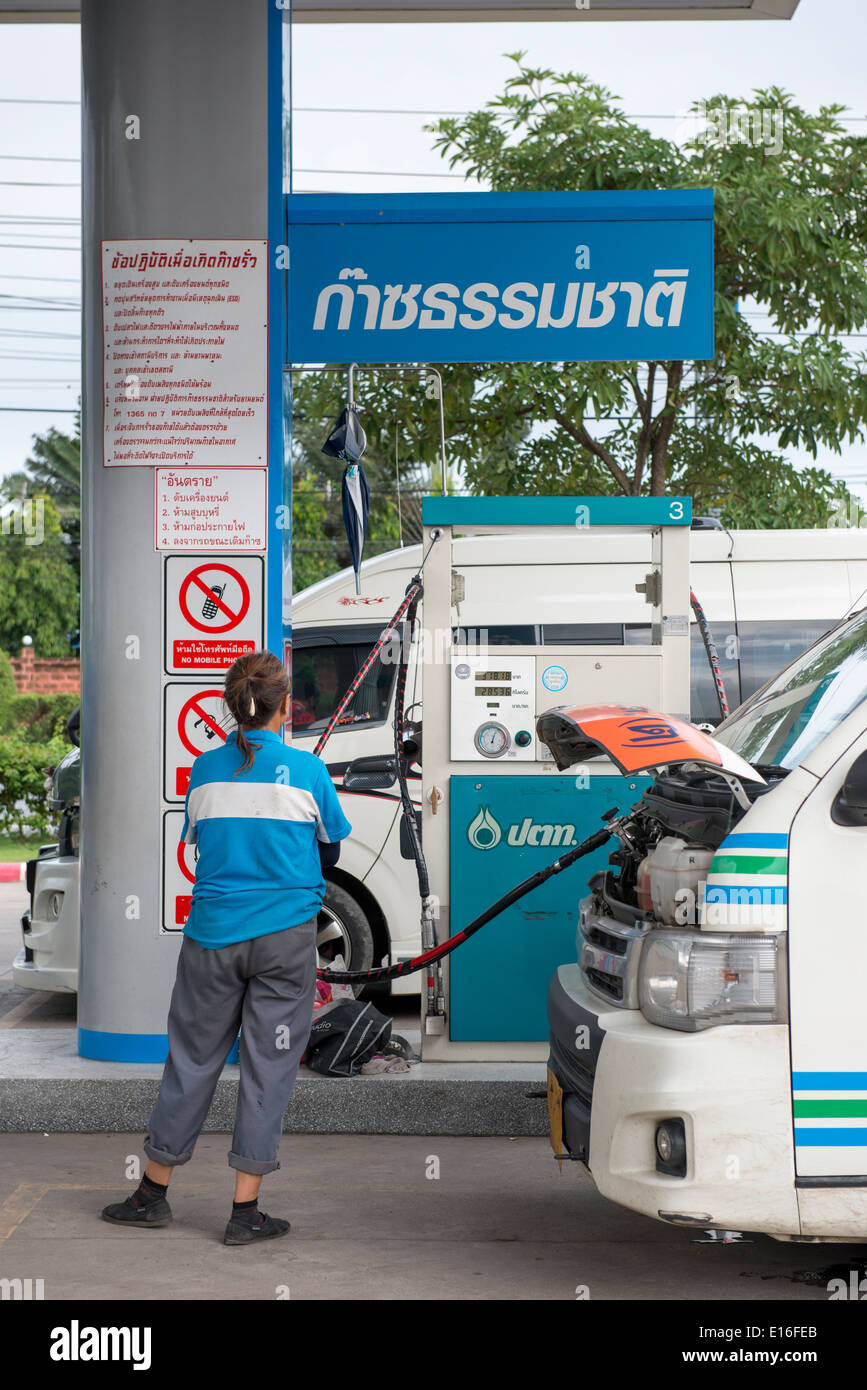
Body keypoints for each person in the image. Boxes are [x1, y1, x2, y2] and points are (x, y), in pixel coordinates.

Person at [101, 649, 351, 1245]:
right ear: (285, 707)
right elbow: (331, 851)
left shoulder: (205, 770)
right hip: (286, 943)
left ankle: (151, 1194)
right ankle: (245, 1214)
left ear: (232, 706)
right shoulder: (309, 772)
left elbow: (201, 841)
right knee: (269, 1067)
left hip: (211, 939)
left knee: (191, 1060)